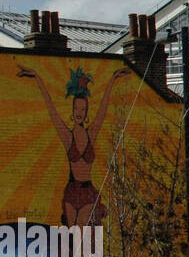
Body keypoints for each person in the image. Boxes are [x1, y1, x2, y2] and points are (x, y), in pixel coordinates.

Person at [16, 63, 132, 229]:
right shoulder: (68, 137)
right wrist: (37, 77)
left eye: (83, 109)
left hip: (87, 191)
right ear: (72, 110)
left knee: (81, 229)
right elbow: (52, 110)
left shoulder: (91, 134)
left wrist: (112, 80)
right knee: (71, 234)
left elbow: (103, 111)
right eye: (76, 107)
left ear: (86, 113)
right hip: (72, 190)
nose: (79, 111)